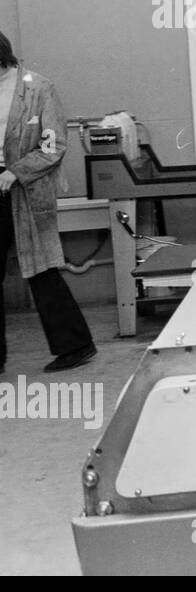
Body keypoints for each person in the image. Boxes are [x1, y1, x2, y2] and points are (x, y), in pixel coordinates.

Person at [0, 31, 96, 375]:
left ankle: (76, 346)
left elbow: (52, 145)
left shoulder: (37, 88)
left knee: (41, 269)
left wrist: (16, 172)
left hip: (25, 187)